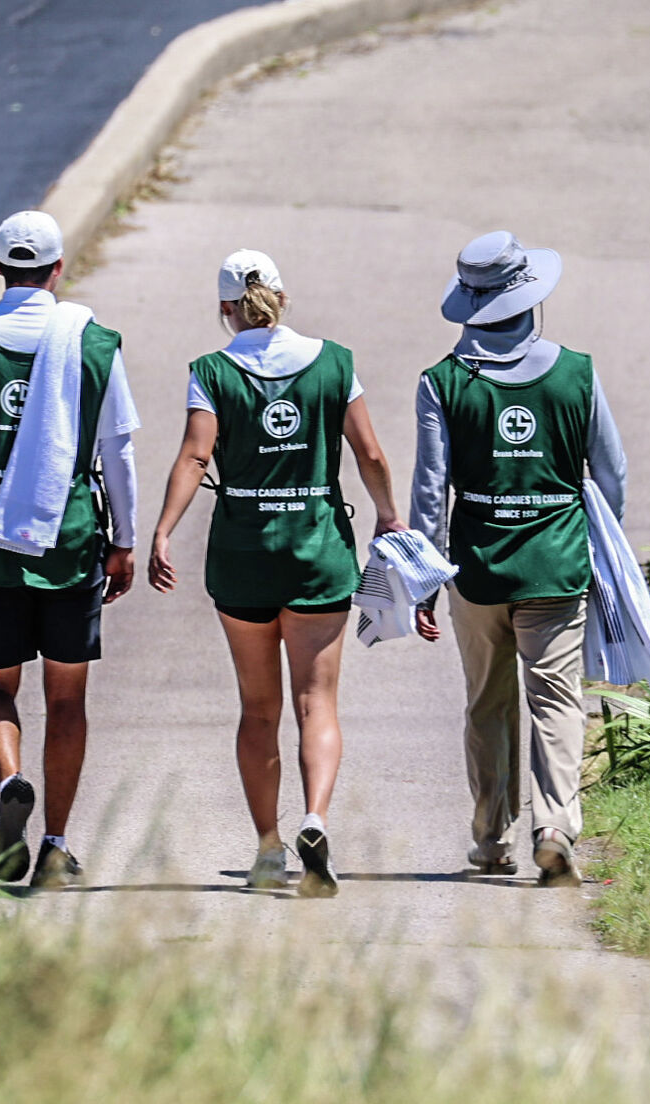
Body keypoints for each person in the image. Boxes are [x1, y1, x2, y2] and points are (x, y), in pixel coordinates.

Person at [149, 250, 404, 897]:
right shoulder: (334, 363)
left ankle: (268, 848)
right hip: (318, 552)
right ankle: (315, 817)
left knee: (258, 708)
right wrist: (388, 515)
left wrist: (162, 531)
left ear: (225, 309)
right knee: (316, 701)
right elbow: (369, 451)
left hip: (242, 557)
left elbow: (195, 453)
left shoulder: (211, 371)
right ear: (282, 299)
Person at [0, 210, 140, 889]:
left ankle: (11, 776)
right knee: (67, 699)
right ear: (58, 269)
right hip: (68, 539)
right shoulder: (94, 342)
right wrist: (125, 540)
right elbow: (119, 451)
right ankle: (53, 842)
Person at [409, 231, 627, 886]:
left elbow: (429, 488)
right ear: (530, 298)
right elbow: (611, 476)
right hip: (556, 566)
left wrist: (424, 579)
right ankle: (555, 825)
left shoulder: (441, 383)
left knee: (487, 703)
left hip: (476, 571)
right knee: (557, 700)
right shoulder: (577, 374)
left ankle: (491, 837)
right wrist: (604, 553)